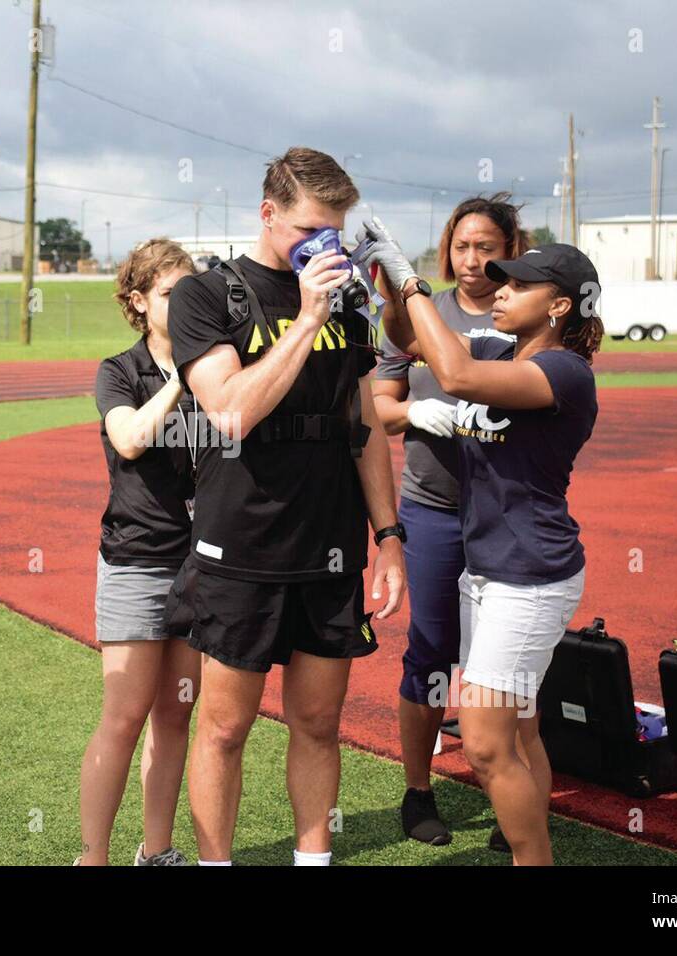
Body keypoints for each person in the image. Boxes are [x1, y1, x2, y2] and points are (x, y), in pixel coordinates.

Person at [167, 147, 405, 867]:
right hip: (240, 544)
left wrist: (389, 536)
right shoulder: (208, 295)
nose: (323, 244)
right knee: (225, 726)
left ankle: (314, 861)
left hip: (329, 544)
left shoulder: (351, 301)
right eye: (308, 228)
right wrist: (305, 319)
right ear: (268, 213)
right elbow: (231, 413)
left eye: (335, 229)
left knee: (318, 723)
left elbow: (359, 424)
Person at [362, 219, 602, 866]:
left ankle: (532, 858)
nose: (500, 290)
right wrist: (391, 282)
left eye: (519, 284)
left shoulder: (564, 372)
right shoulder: (508, 353)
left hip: (528, 574)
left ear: (558, 305)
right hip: (491, 571)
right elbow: (406, 335)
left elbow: (458, 377)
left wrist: (411, 277)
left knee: (487, 743)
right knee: (519, 728)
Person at [371, 194, 526, 846]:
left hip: (505, 513)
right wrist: (414, 416)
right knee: (430, 655)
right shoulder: (418, 315)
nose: (471, 260)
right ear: (446, 249)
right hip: (432, 509)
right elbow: (377, 404)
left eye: (486, 247)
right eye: (462, 246)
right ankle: (417, 792)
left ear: (508, 251)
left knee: (502, 661)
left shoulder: (522, 312)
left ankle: (506, 796)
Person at [77, 239, 200, 866]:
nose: (183, 305)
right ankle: (92, 857)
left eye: (191, 293)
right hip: (136, 559)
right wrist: (183, 379)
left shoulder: (218, 367)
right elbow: (128, 439)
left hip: (200, 564)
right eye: (170, 294)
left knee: (176, 716)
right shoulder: (119, 370)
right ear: (138, 301)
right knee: (124, 718)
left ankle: (158, 851)